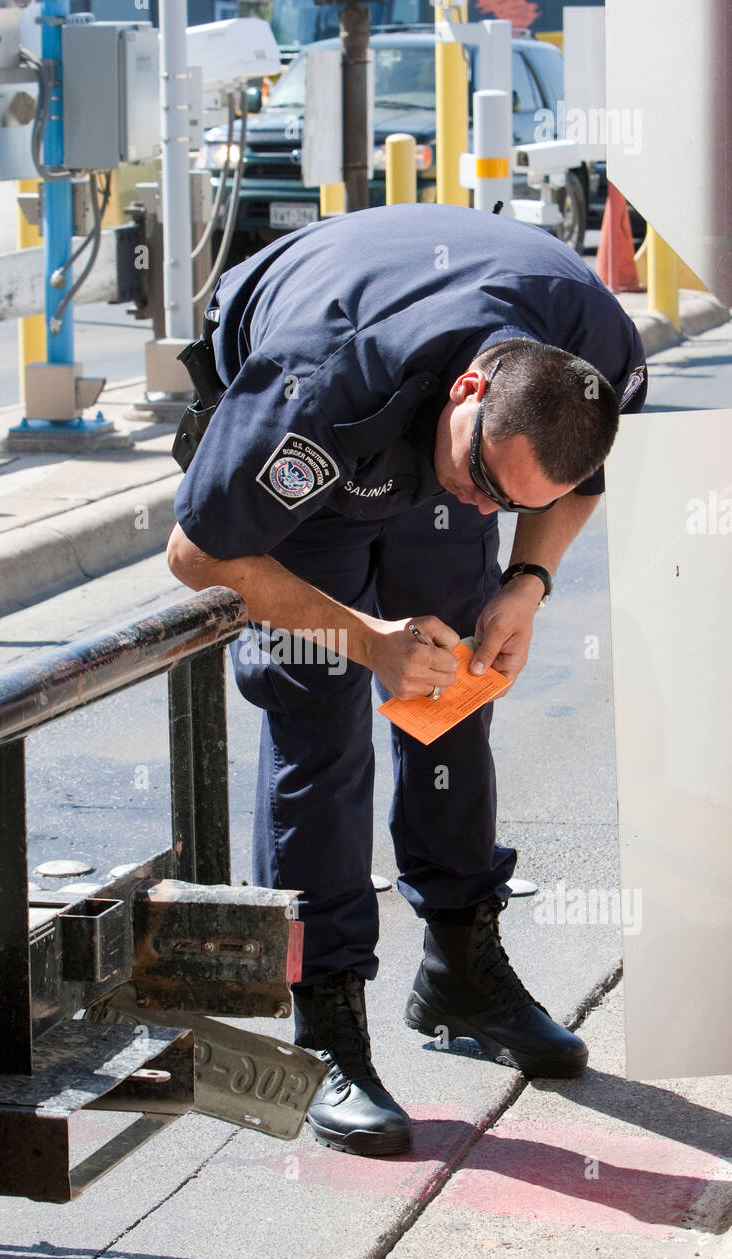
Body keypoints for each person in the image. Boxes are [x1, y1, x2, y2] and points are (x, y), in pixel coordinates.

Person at [166, 202, 647, 1158]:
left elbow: (570, 481)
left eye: (513, 502)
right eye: (486, 483)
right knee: (321, 734)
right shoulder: (317, 381)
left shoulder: (589, 348)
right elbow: (199, 554)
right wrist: (367, 639)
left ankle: (461, 969)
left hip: (429, 440)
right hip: (324, 474)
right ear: (471, 388)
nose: (488, 506)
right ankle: (328, 1028)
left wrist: (528, 580)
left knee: (452, 700)